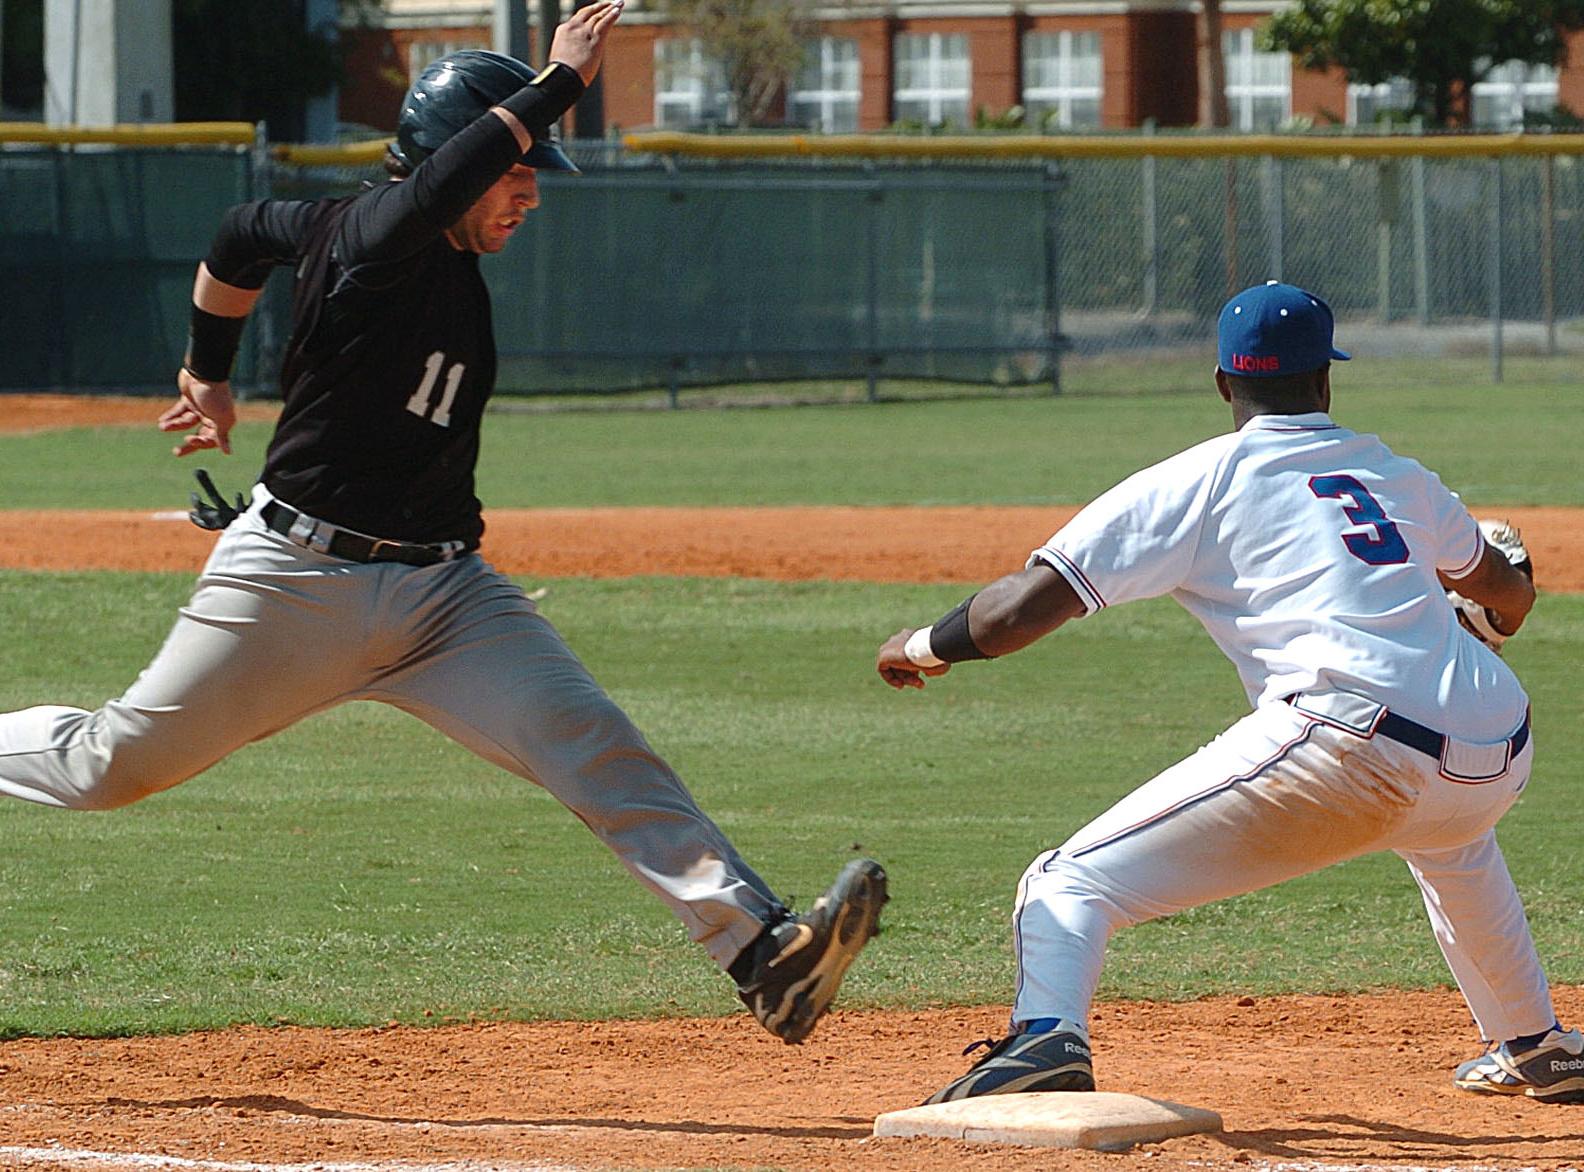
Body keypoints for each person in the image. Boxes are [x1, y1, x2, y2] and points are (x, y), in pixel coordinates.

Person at [0, 3, 886, 1047]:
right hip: (296, 580)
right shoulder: (378, 238)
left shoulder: (379, 240)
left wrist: (207, 368)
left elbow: (240, 236)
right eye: (512, 172)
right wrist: (557, 83)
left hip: (447, 599)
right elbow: (404, 199)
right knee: (114, 765)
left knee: (593, 742)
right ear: (442, 168)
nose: (527, 192)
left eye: (535, 175)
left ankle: (761, 954)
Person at [876, 281, 1580, 1104]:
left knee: (1065, 884)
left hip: (1352, 744)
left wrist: (923, 645)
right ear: (1325, 381)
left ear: (1221, 384)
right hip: (1501, 745)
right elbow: (1509, 594)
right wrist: (1489, 616)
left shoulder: (1203, 479)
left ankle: (1045, 1041)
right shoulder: (1396, 473)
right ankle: (1535, 1043)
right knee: (1452, 838)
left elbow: (1020, 610)